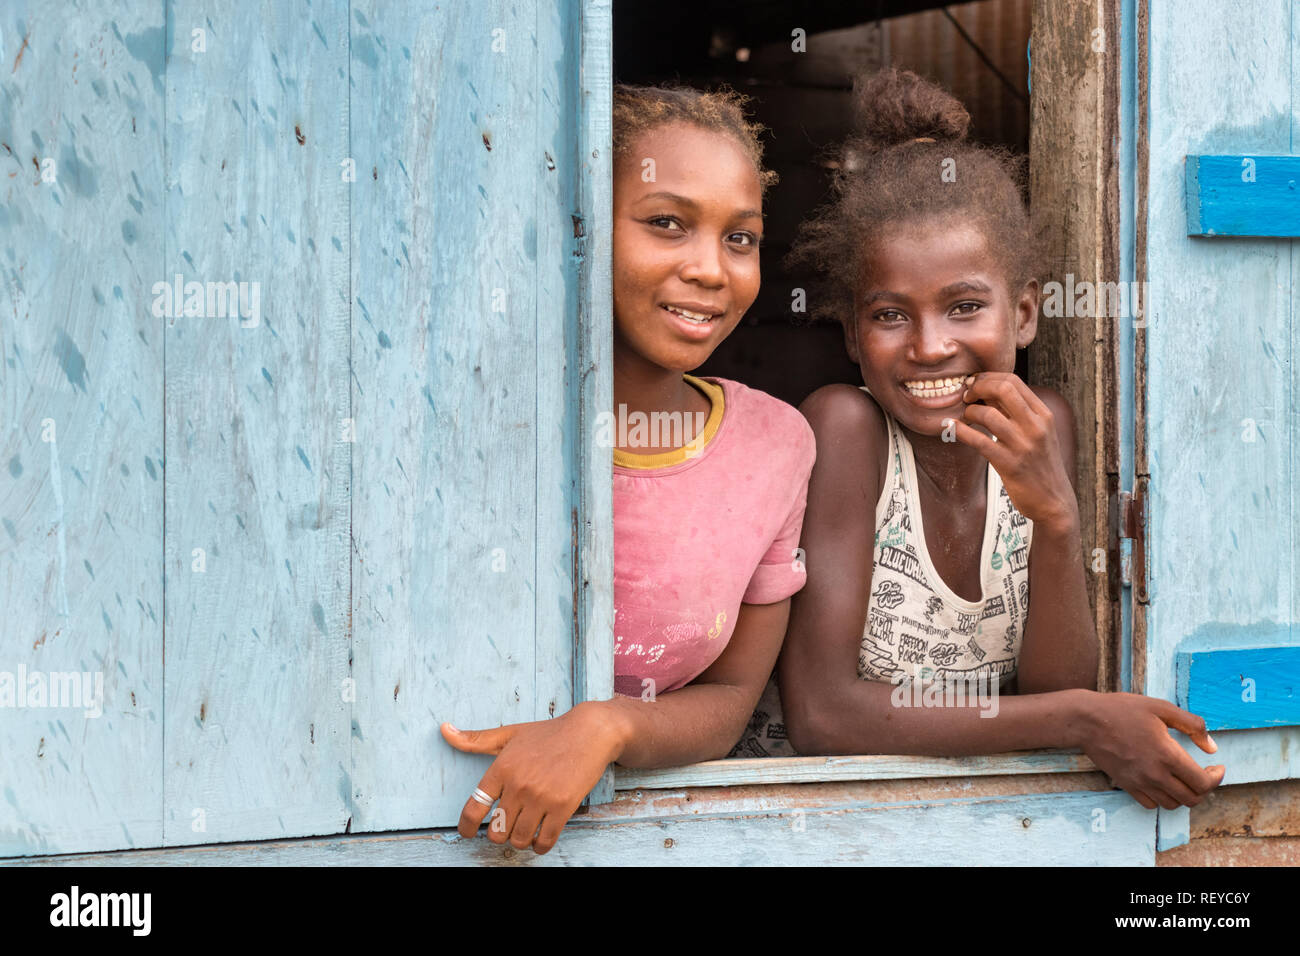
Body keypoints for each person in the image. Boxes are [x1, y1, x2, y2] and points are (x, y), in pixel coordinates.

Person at [744, 68, 1224, 812]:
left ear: (1025, 314)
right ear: (850, 334)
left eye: (965, 306)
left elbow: (1050, 687)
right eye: (891, 315)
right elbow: (823, 714)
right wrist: (1084, 720)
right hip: (819, 819)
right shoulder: (846, 430)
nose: (931, 347)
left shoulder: (1047, 426)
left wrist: (1057, 520)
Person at [441, 85, 816, 853]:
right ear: (582, 224)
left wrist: (609, 724)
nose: (711, 269)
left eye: (740, 238)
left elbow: (733, 694)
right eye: (666, 224)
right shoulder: (475, 422)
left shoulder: (776, 446)